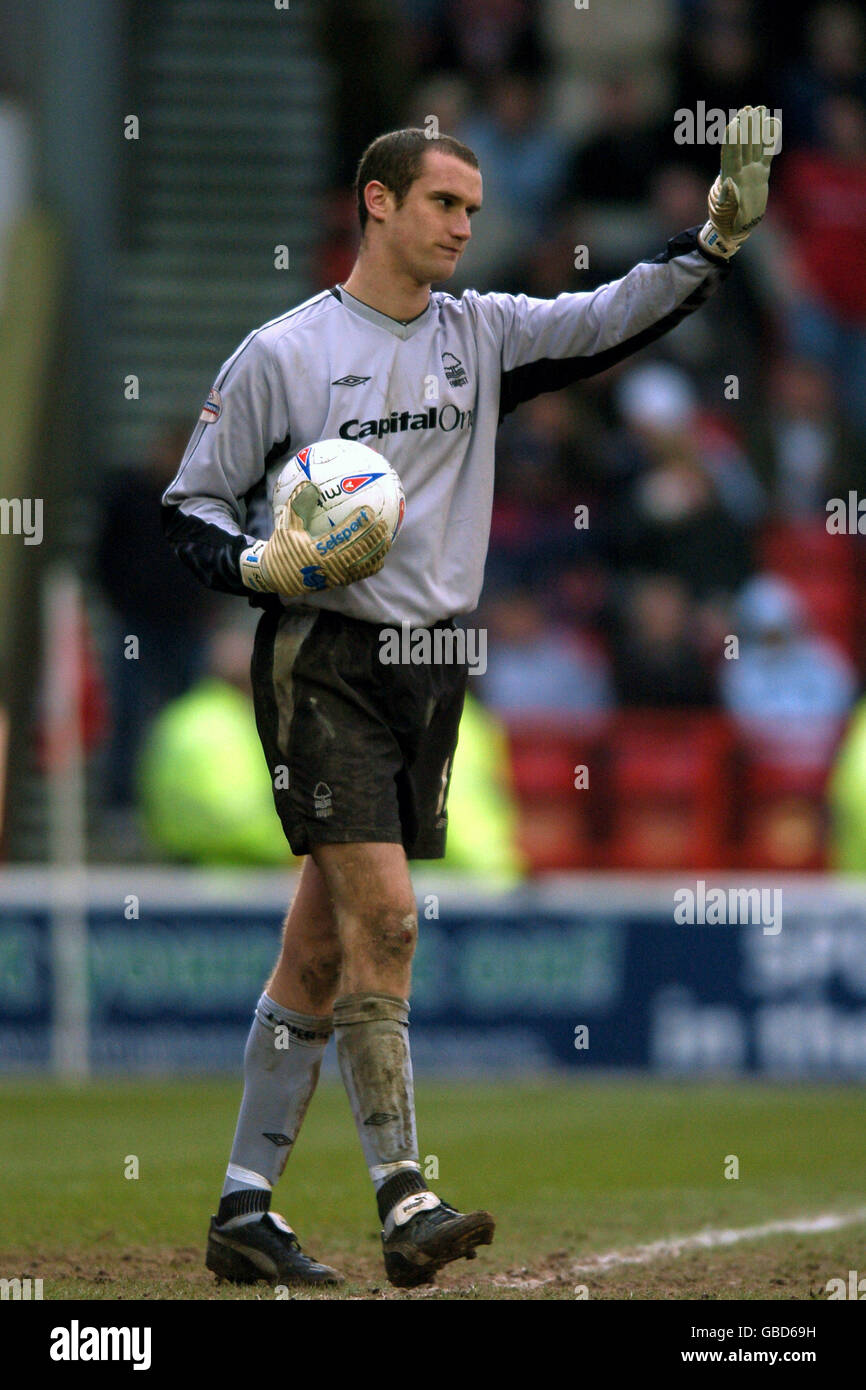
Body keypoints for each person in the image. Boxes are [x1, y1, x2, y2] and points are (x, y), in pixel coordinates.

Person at [161, 111, 778, 1288]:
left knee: (318, 948)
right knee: (386, 920)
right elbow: (188, 507)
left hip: (433, 667)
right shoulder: (283, 355)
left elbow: (608, 319)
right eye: (444, 204)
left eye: (473, 212)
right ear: (378, 203)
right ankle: (404, 1194)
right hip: (323, 662)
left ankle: (244, 1206)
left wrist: (712, 240)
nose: (462, 228)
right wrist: (253, 566)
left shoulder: (480, 337)